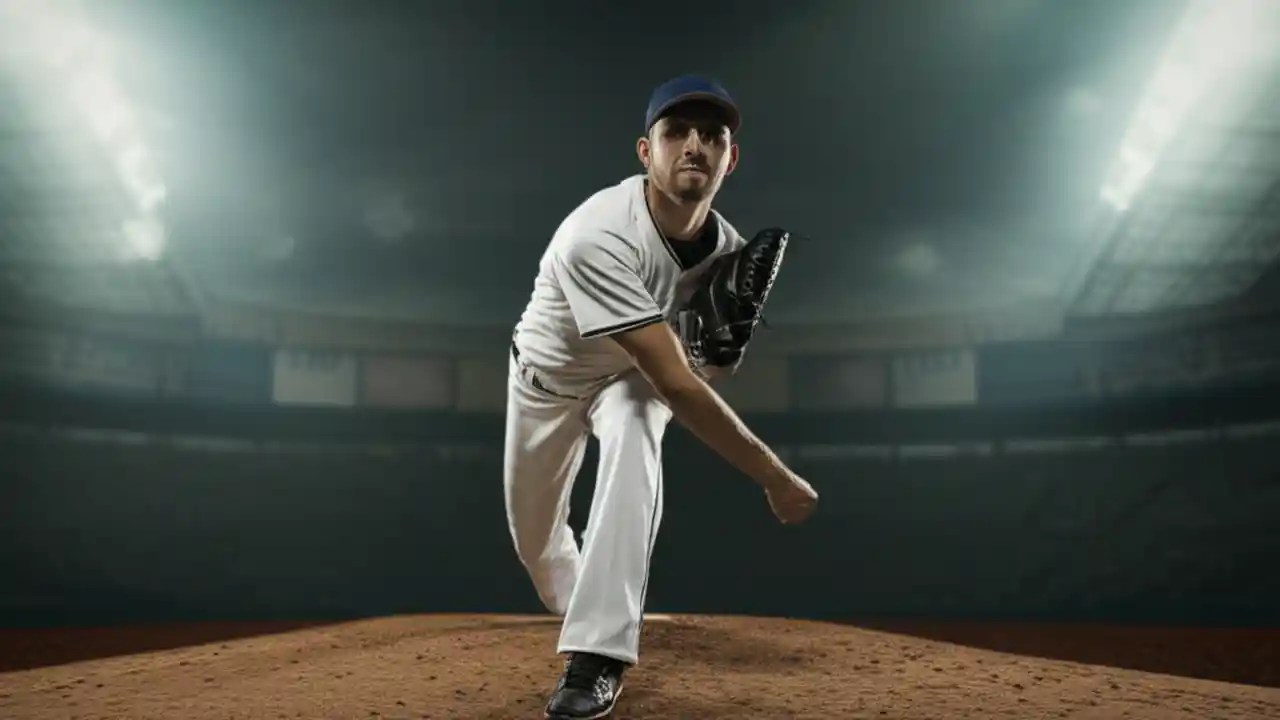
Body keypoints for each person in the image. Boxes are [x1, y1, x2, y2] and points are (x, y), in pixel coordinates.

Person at [504, 74, 819, 720]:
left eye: (713, 135)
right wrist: (776, 477)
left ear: (731, 158)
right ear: (646, 153)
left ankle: (597, 655)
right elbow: (681, 379)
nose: (695, 145)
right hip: (546, 385)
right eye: (676, 132)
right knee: (538, 549)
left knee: (641, 417)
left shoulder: (727, 251)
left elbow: (692, 378)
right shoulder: (597, 235)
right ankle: (582, 596)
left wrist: (716, 354)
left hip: (627, 382)